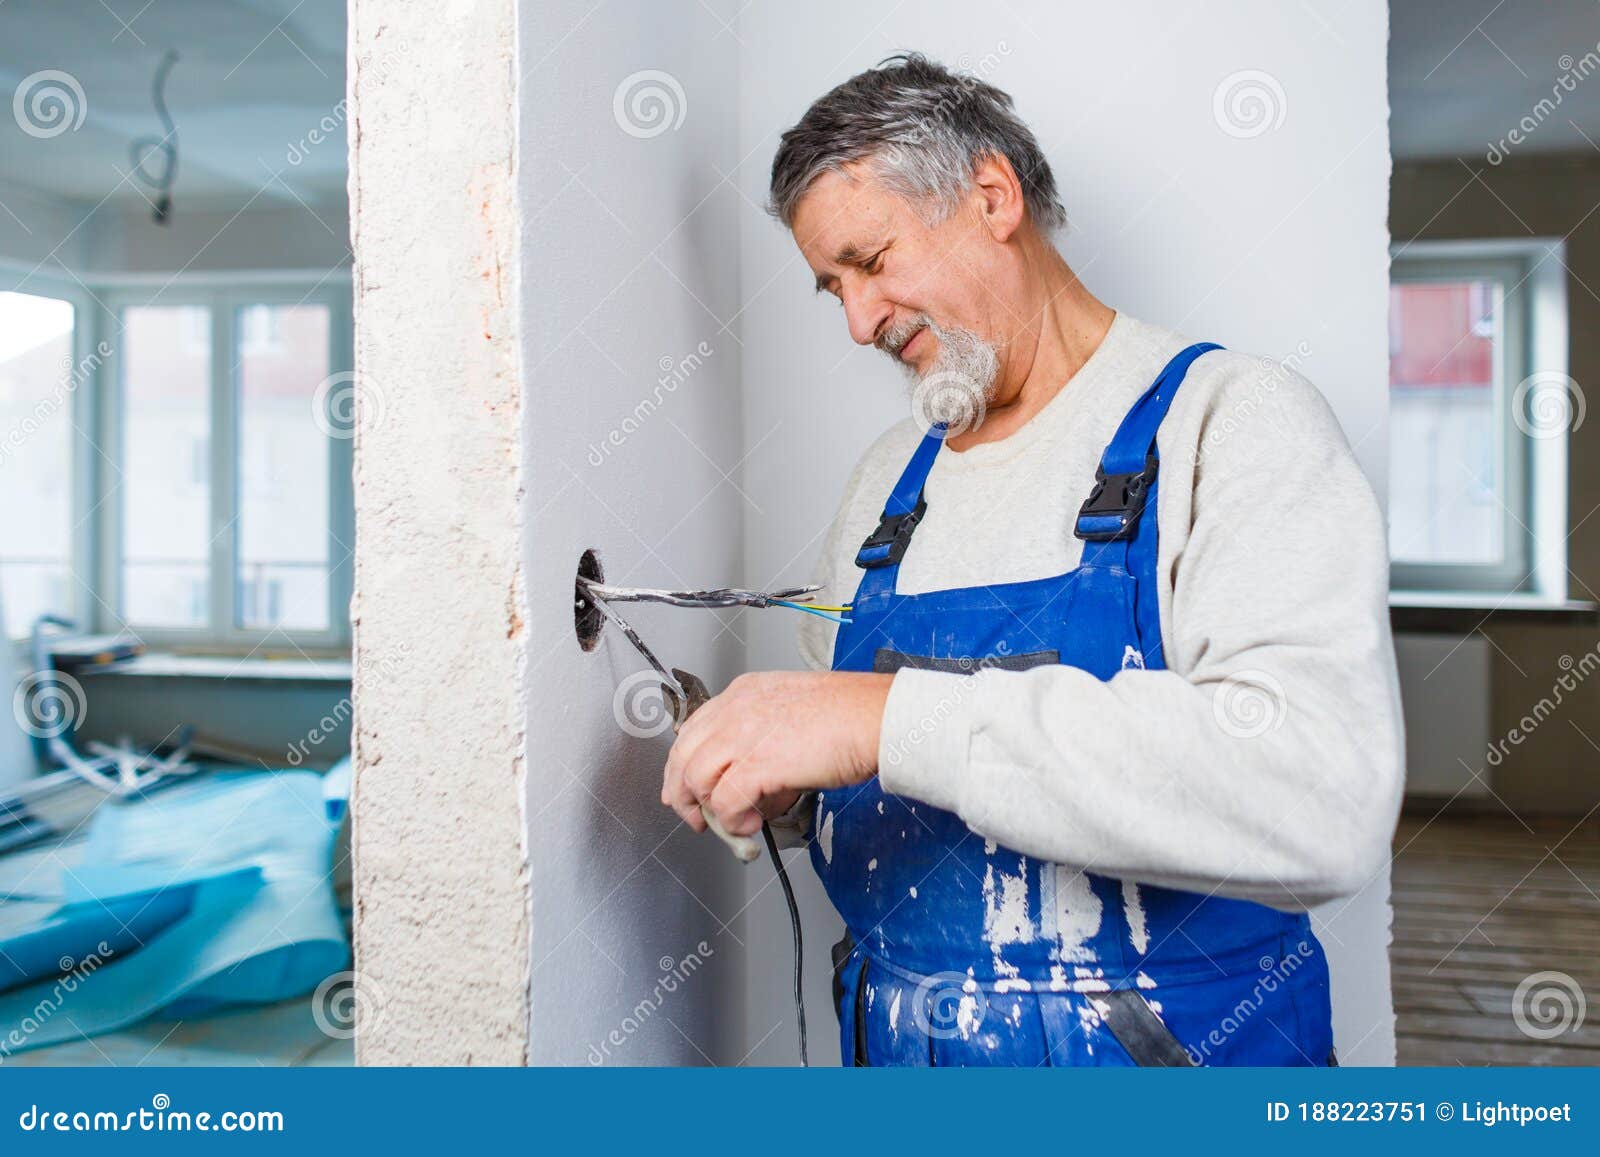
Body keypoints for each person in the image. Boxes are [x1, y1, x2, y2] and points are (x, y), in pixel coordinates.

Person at [660, 52, 1403, 1067]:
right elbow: (871, 764)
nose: (856, 320)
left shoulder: (1228, 420)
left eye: (870, 261)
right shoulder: (888, 484)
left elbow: (1323, 797)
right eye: (830, 286)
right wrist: (791, 791)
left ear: (992, 196)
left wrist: (878, 716)